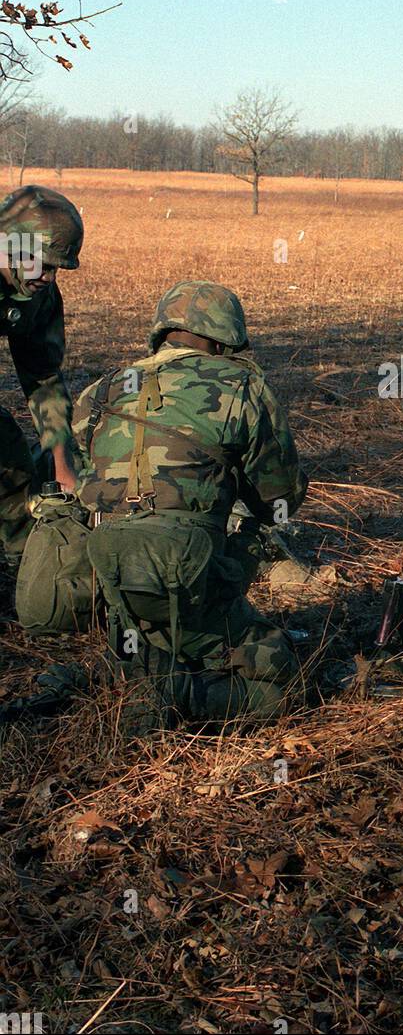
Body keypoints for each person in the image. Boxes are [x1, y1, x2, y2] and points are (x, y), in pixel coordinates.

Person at [68, 279, 308, 730]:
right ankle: (174, 691)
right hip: (189, 572)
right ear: (224, 339)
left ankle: (140, 664)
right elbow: (278, 498)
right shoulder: (243, 386)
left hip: (111, 573)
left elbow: (88, 479)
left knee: (149, 633)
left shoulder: (100, 391)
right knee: (283, 683)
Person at [0, 185, 82, 572]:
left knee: (14, 454)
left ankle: (26, 568)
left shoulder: (37, 293)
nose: (49, 278)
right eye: (42, 264)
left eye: (57, 268)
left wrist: (62, 464)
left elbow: (44, 378)